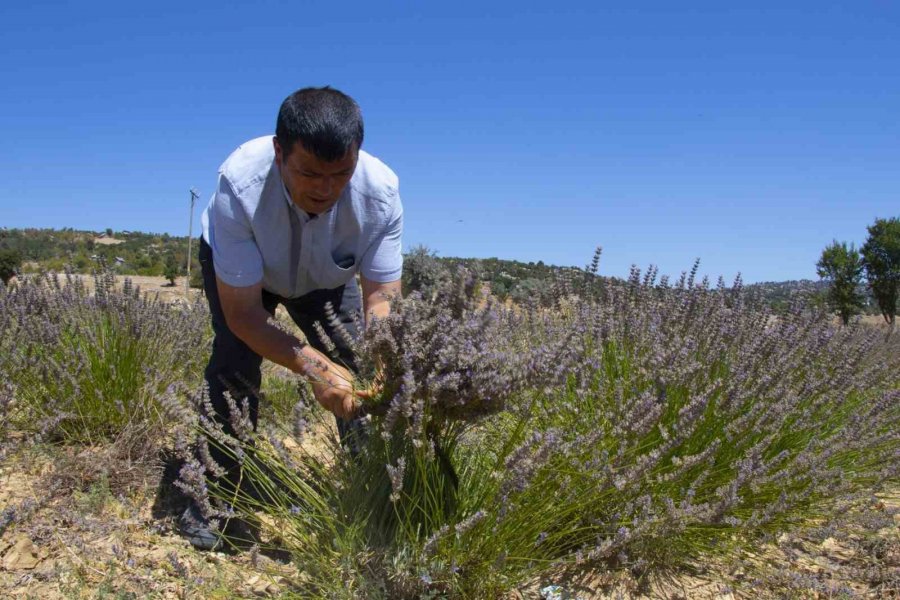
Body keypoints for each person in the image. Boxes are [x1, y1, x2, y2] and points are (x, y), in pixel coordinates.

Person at [180, 86, 403, 550]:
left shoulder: (380, 194)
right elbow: (244, 316)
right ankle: (213, 496)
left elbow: (381, 297)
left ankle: (374, 496)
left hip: (324, 280)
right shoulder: (239, 185)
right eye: (309, 173)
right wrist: (315, 369)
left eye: (340, 174)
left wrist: (380, 365)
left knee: (360, 365)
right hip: (247, 278)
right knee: (233, 366)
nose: (324, 189)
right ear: (279, 151)